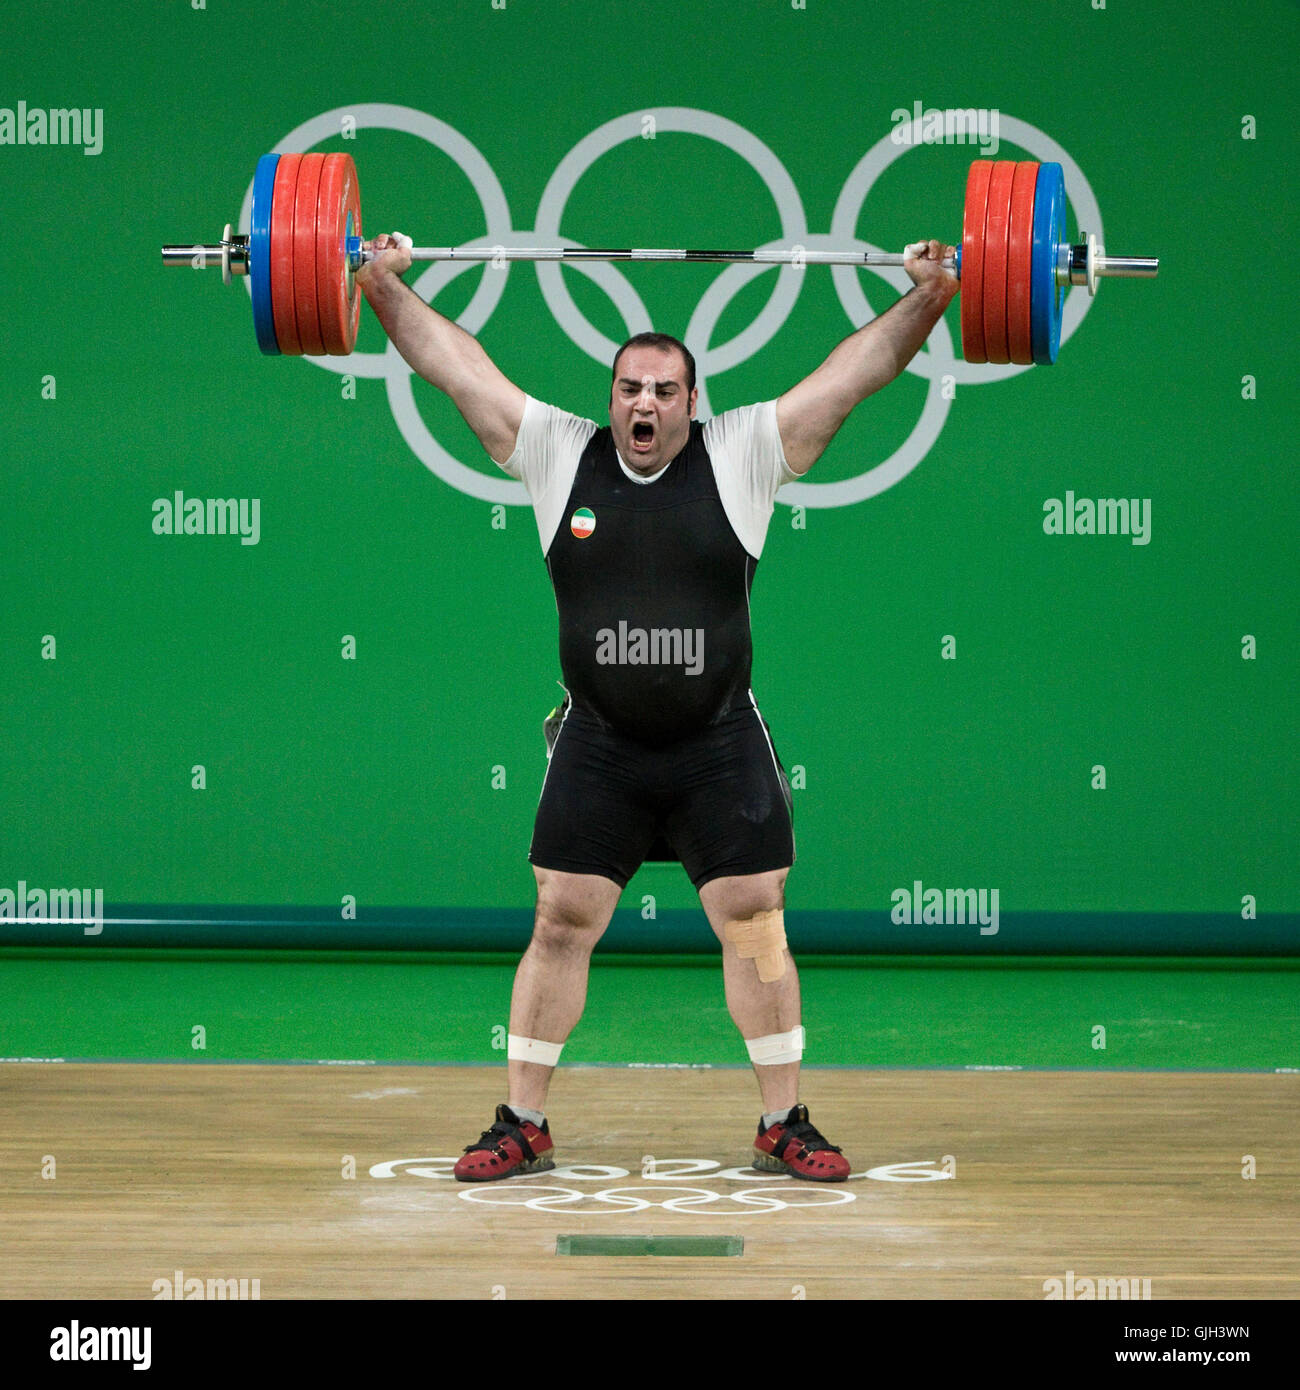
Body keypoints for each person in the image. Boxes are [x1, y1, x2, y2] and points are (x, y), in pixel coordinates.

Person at [357, 233, 958, 1183]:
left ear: (692, 402)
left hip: (717, 740)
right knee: (560, 917)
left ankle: (781, 1121)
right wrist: (379, 285)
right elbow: (455, 367)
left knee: (756, 917)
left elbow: (854, 375)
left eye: (664, 391)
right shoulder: (559, 454)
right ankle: (522, 1122)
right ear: (612, 399)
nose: (644, 404)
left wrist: (933, 295)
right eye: (630, 388)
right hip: (601, 742)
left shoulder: (746, 454)